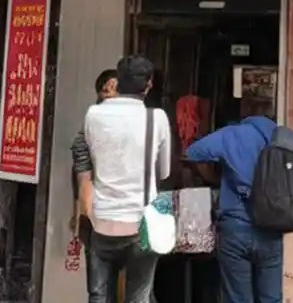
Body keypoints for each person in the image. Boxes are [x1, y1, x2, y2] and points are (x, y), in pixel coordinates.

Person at [84, 55, 171, 303]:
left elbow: (94, 159)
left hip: (103, 220)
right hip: (140, 222)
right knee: (138, 296)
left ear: (117, 82)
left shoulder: (93, 115)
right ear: (149, 85)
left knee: (99, 295)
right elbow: (163, 172)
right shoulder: (158, 119)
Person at [185, 115, 282, 303]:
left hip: (236, 227)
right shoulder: (283, 137)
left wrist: (212, 179)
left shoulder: (234, 133)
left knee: (238, 298)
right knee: (272, 298)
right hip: (273, 227)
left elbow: (193, 152)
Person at [71, 69, 120, 301]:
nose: (110, 95)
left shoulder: (133, 126)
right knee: (100, 288)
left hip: (126, 214)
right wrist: (81, 213)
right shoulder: (88, 131)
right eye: (106, 90)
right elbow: (82, 176)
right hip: (98, 216)